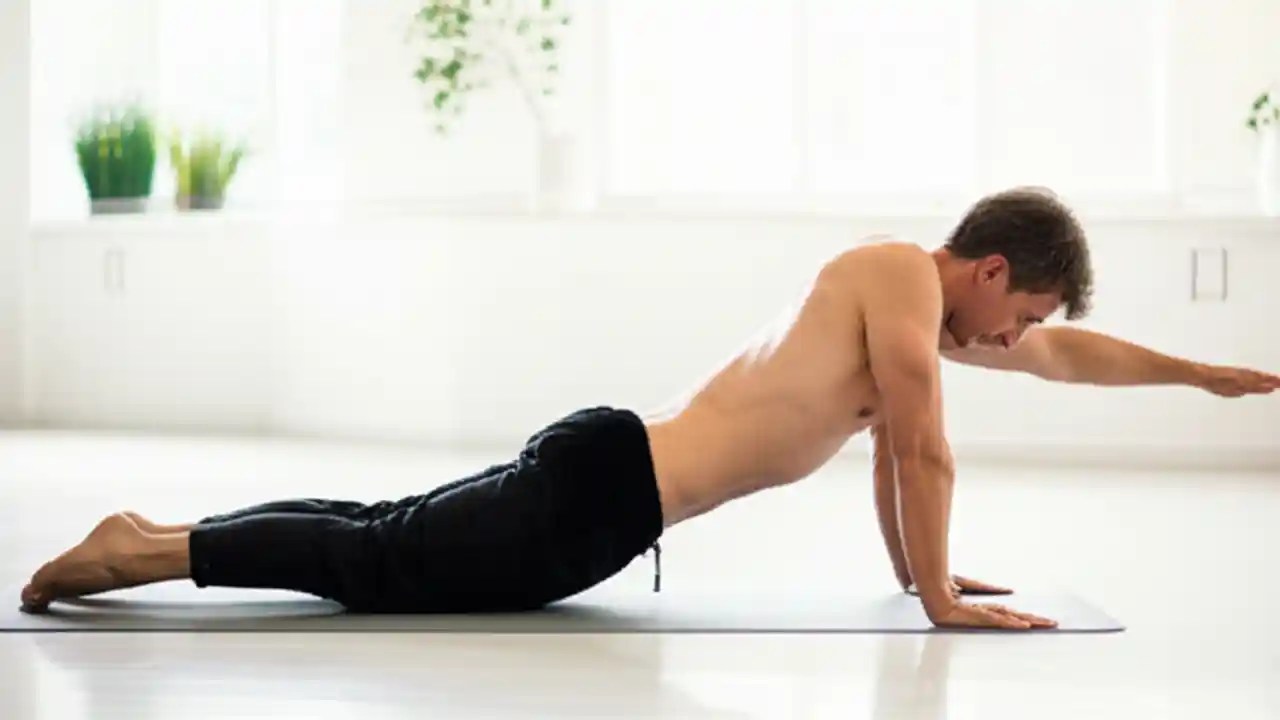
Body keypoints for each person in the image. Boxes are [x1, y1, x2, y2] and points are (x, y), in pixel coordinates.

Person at [20, 188, 1279, 629]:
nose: (1019, 343)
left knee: (380, 530)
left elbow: (1046, 377)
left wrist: (1196, 374)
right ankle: (148, 551)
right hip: (605, 491)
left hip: (605, 478)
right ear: (990, 269)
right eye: (1026, 314)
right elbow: (919, 445)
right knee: (379, 560)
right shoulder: (898, 275)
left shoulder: (913, 315)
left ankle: (153, 534)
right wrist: (941, 594)